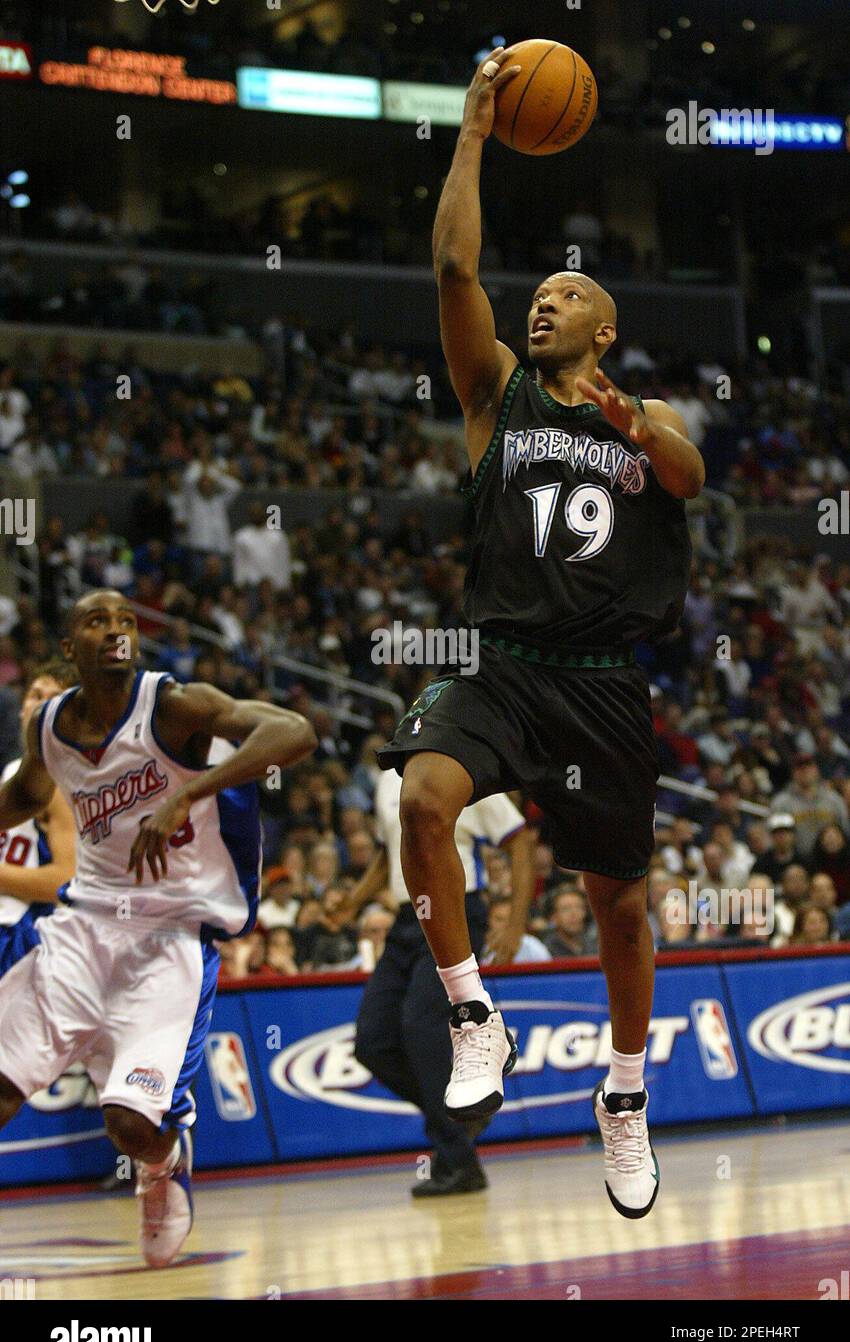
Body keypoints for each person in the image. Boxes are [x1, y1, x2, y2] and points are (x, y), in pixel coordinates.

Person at [377, 46, 703, 1221]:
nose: (543, 301)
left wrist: (631, 420)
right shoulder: (495, 396)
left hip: (604, 683)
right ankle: (471, 1011)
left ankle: (623, 1095)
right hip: (502, 666)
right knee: (423, 795)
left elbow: (690, 473)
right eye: (540, 297)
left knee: (621, 902)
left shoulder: (641, 416)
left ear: (605, 330)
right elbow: (453, 262)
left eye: (567, 298)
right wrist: (471, 128)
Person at [0, 589, 315, 1267]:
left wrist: (187, 793)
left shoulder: (174, 706)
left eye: (125, 620)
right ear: (68, 647)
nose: (116, 630)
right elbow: (23, 796)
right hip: (81, 929)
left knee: (129, 1124)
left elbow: (293, 731)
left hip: (169, 937)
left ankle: (163, 1162)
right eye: (96, 620)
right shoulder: (49, 727)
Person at [338, 766, 534, 1197]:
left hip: (455, 909)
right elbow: (388, 855)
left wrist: (517, 920)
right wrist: (351, 902)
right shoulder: (387, 777)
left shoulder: (463, 768)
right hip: (407, 919)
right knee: (373, 1041)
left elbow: (519, 838)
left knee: (422, 1028)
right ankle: (462, 1116)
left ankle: (459, 1163)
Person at [0, 661, 77, 977]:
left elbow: (65, 880)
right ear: (21, 709)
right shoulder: (11, 772)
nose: (40, 703)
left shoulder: (64, 782)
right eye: (35, 694)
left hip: (24, 935)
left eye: (54, 697)